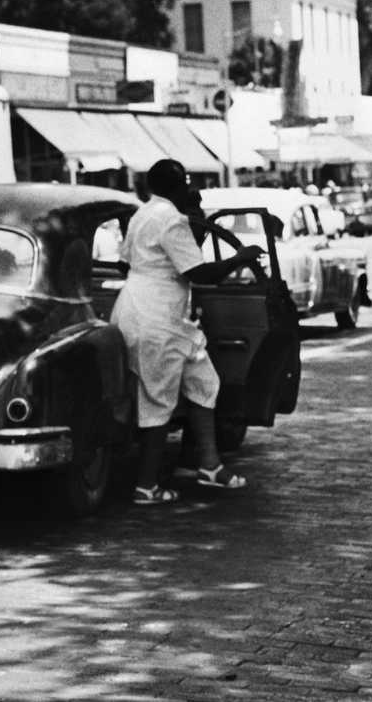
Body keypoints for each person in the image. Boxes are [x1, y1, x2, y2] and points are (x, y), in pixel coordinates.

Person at [111, 158, 264, 505]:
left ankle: (208, 464)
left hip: (144, 307)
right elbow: (200, 273)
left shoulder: (142, 214)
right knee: (158, 399)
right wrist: (241, 258)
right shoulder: (171, 219)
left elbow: (125, 263)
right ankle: (146, 487)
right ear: (179, 186)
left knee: (204, 381)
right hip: (158, 316)